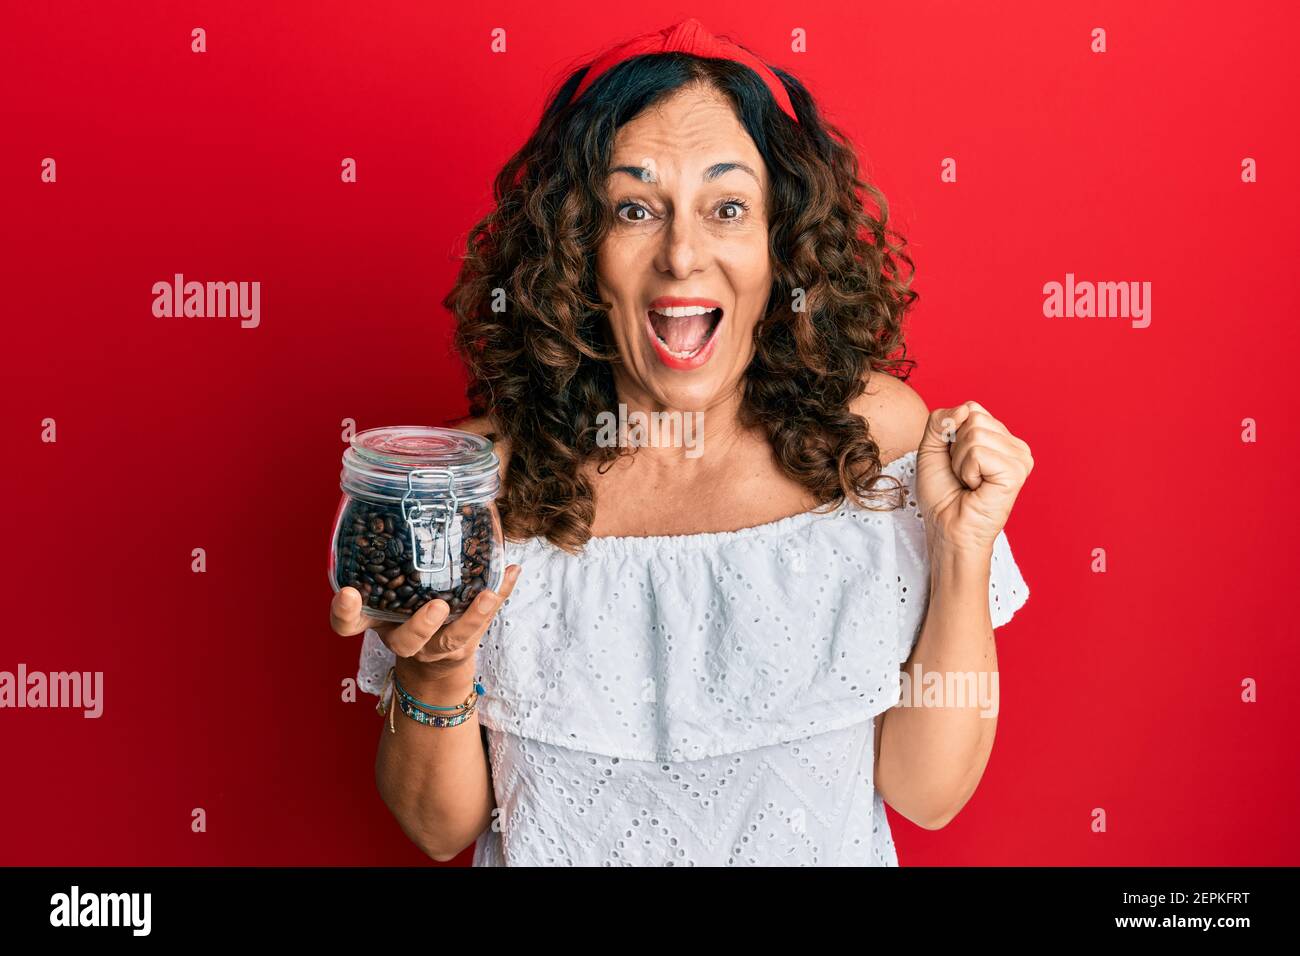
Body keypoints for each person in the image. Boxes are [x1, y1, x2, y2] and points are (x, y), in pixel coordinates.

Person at [330, 17, 1032, 865]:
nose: (683, 254)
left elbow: (929, 791)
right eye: (635, 209)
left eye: (727, 207)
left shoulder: (872, 442)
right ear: (577, 248)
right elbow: (438, 828)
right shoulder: (478, 484)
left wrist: (961, 550)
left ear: (781, 248)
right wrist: (433, 674)